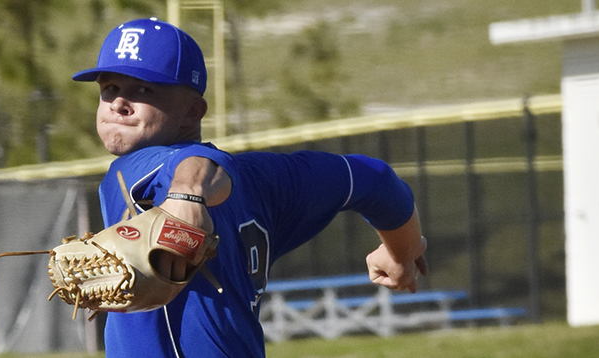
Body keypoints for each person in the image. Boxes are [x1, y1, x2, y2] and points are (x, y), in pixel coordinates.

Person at [71, 18, 428, 357]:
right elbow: (373, 179)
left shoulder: (132, 169)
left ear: (194, 111)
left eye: (143, 89)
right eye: (109, 88)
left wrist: (186, 195)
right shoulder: (269, 179)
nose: (118, 103)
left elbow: (192, 165)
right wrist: (402, 252)